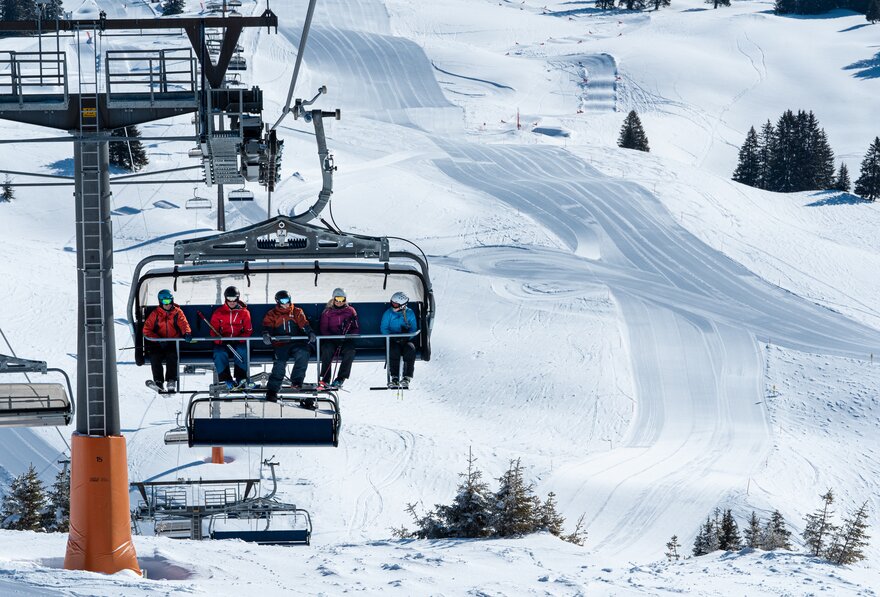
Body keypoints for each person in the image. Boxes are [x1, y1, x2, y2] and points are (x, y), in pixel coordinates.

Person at [262, 289, 316, 402]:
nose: (286, 303)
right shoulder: (272, 313)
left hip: (297, 342)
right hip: (281, 343)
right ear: (278, 301)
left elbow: (303, 323)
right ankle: (272, 390)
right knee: (280, 362)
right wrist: (266, 333)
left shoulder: (296, 311)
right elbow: (267, 325)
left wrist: (309, 332)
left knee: (303, 353)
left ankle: (297, 381)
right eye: (283, 301)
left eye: (287, 300)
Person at [143, 289, 192, 393]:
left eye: (170, 301)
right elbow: (146, 329)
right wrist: (158, 339)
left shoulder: (177, 312)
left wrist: (187, 333)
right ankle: (158, 381)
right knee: (154, 356)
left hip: (172, 342)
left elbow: (184, 323)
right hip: (158, 343)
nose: (168, 304)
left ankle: (171, 380)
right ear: (160, 302)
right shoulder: (155, 314)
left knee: (172, 354)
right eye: (165, 302)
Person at [210, 285, 253, 390]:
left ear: (238, 298)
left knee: (242, 350)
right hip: (223, 342)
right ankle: (227, 379)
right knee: (219, 353)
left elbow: (248, 330)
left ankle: (241, 378)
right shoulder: (219, 313)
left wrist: (239, 339)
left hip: (238, 341)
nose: (232, 301)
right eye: (229, 298)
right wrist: (220, 340)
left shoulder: (244, 313)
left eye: (234, 298)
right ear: (226, 298)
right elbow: (213, 331)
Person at [318, 287, 359, 389]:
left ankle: (340, 378)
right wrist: (334, 338)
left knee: (350, 351)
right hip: (331, 339)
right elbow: (323, 329)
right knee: (326, 349)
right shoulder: (327, 312)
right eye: (337, 299)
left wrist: (347, 336)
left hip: (345, 339)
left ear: (345, 299)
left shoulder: (350, 311)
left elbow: (356, 328)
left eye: (342, 299)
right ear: (333, 299)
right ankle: (325, 378)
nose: (339, 302)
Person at [380, 291, 417, 389]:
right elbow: (384, 328)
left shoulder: (409, 313)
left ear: (402, 305)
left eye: (396, 304)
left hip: (406, 340)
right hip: (392, 340)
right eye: (392, 303)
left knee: (410, 348)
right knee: (393, 350)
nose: (393, 305)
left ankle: (407, 377)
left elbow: (414, 329)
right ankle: (395, 377)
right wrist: (392, 337)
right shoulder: (388, 313)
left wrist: (407, 337)